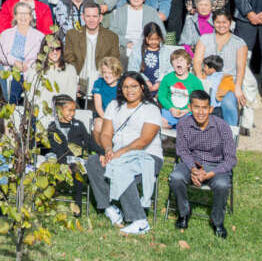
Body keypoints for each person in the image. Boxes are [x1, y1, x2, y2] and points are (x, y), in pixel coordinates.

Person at [89, 70, 162, 234]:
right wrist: (108, 149)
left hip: (148, 156)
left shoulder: (151, 109)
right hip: (117, 154)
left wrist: (119, 153)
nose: (130, 90)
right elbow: (106, 134)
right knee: (93, 162)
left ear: (142, 87)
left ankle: (139, 220)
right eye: (125, 87)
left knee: (122, 168)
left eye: (134, 86)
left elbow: (144, 140)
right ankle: (110, 208)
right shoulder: (114, 106)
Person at [169, 88, 236, 237]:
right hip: (192, 163)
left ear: (210, 108)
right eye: (197, 107)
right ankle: (184, 213)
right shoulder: (183, 124)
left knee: (222, 184)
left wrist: (210, 173)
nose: (201, 112)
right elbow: (183, 151)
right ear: (189, 108)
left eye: (205, 108)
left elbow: (231, 158)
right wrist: (193, 169)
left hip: (216, 165)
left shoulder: (222, 126)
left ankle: (217, 221)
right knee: (176, 177)